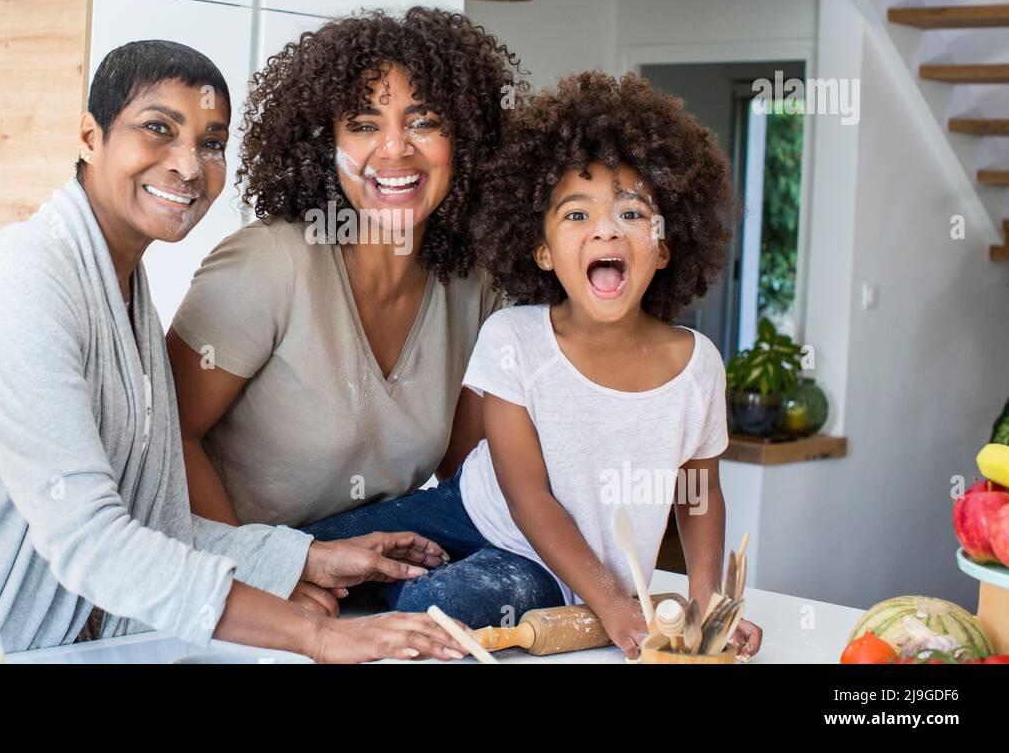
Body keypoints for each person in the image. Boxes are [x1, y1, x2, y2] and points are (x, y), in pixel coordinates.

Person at [0, 40, 467, 664]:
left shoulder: (125, 295)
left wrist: (306, 560)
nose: (187, 164)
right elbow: (92, 542)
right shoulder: (21, 281)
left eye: (210, 142)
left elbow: (154, 527)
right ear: (91, 137)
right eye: (158, 128)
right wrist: (316, 636)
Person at [302, 71, 763, 659]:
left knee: (429, 609)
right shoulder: (514, 337)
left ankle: (377, 585)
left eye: (631, 213)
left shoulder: (697, 365)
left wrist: (706, 604)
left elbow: (699, 495)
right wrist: (619, 610)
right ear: (542, 250)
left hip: (550, 568)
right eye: (576, 215)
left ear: (666, 244)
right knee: (306, 548)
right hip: (474, 508)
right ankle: (352, 580)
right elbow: (528, 497)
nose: (604, 227)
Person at [167, 8, 526, 618]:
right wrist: (261, 576)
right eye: (364, 124)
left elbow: (465, 476)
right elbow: (170, 439)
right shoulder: (271, 263)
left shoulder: (475, 286)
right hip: (229, 578)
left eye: (425, 122)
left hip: (366, 569)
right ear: (323, 145)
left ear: (465, 141)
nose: (394, 149)